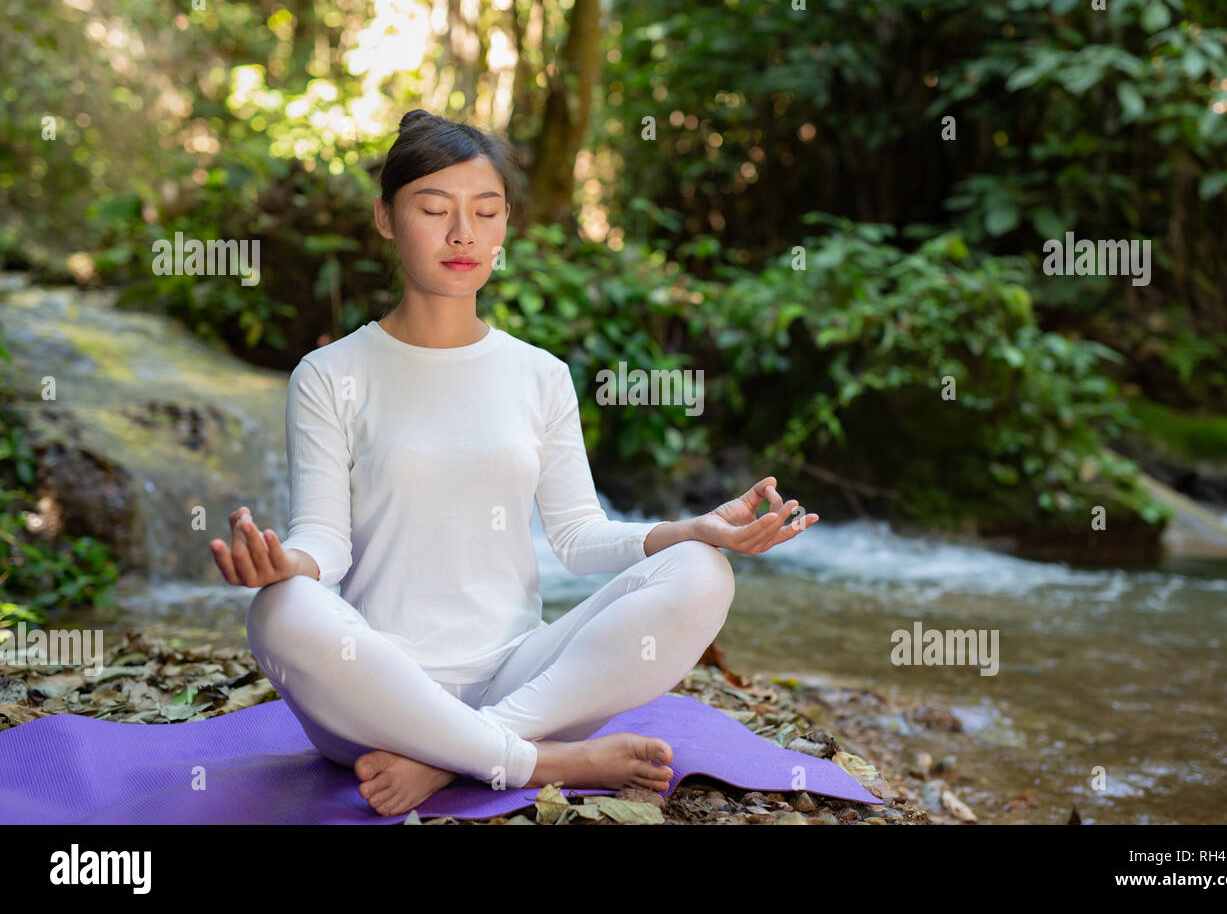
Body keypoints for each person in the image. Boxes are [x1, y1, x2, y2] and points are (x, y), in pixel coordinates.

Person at [209, 111, 818, 817]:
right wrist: (285, 566)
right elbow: (325, 543)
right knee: (278, 610)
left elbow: (580, 538)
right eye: (434, 210)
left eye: (485, 212)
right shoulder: (329, 373)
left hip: (522, 684)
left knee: (702, 571)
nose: (462, 233)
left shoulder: (539, 375)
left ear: (504, 229)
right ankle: (540, 763)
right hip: (372, 696)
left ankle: (458, 755)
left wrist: (694, 529)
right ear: (385, 217)